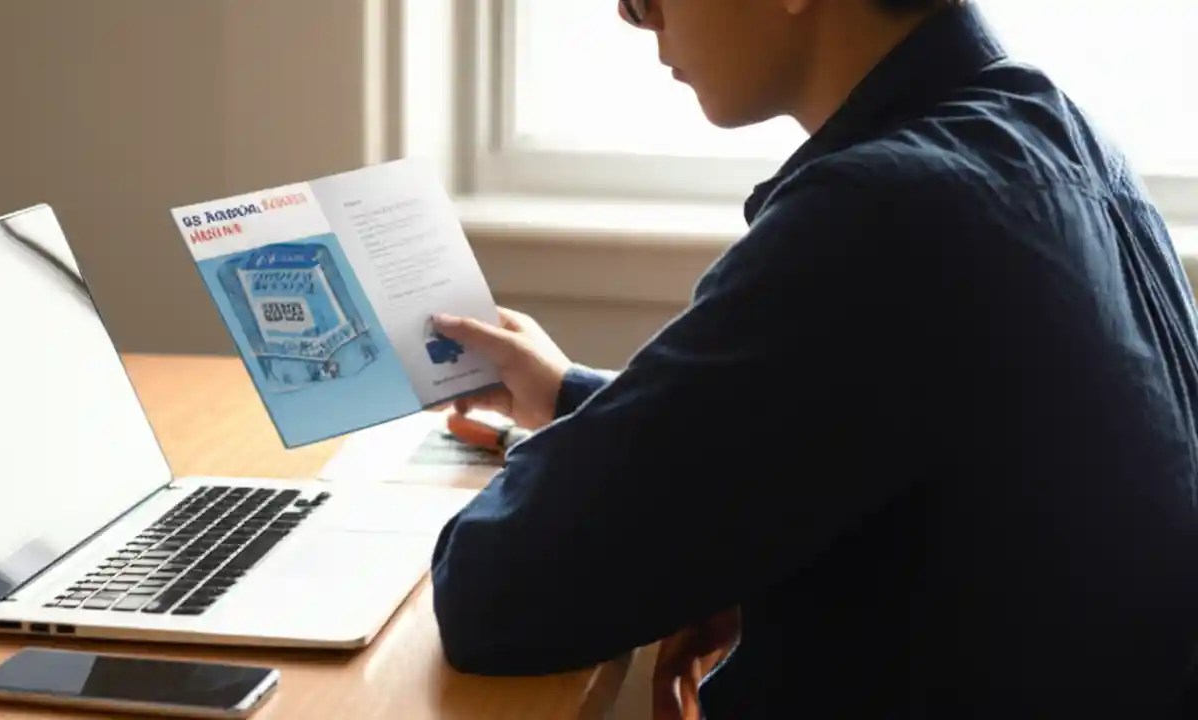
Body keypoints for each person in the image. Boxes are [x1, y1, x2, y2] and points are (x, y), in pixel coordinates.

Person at [427, 0, 1198, 717]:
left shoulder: (881, 213)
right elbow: (878, 447)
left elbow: (498, 587)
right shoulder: (1061, 142)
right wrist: (573, 397)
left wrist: (600, 479)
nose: (634, 14)